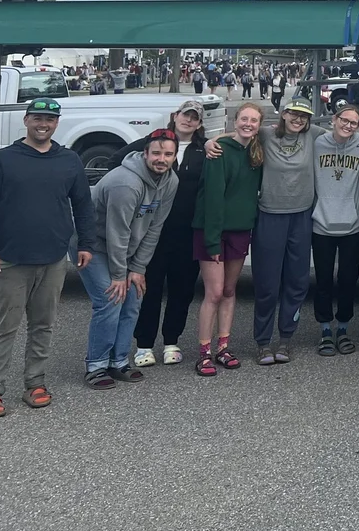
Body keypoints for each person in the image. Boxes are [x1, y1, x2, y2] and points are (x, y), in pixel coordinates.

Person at [0, 97, 94, 417]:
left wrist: (86, 244)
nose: (44, 124)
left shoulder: (69, 160)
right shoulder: (3, 160)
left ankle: (35, 383)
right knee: (4, 328)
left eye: (50, 119)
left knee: (43, 326)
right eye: (37, 118)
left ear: (57, 123)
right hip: (10, 261)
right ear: (26, 120)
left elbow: (83, 205)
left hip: (53, 259)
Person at [208, 97, 317, 366]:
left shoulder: (314, 135)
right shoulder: (267, 134)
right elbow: (240, 132)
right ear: (283, 114)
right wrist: (211, 142)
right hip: (269, 215)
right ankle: (263, 342)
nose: (298, 120)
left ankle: (286, 340)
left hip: (301, 216)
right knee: (268, 283)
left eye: (303, 116)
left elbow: (343, 134)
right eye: (293, 114)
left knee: (296, 282)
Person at [81, 129, 179, 388]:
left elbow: (154, 227)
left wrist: (136, 269)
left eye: (168, 154)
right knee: (111, 298)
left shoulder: (171, 181)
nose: (162, 159)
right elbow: (117, 232)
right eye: (156, 153)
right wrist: (118, 275)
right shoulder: (126, 182)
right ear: (144, 153)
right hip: (94, 245)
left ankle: (119, 361)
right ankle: (97, 365)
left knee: (134, 295)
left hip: (125, 247)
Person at [118, 100, 207, 368]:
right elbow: (118, 159)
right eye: (184, 115)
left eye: (194, 118)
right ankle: (144, 344)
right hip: (152, 233)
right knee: (149, 289)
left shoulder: (205, 151)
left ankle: (171, 341)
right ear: (175, 116)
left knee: (182, 291)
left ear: (199, 124)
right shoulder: (155, 144)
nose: (188, 121)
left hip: (187, 233)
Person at [193, 101, 264, 376]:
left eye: (253, 120)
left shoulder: (257, 153)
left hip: (239, 230)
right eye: (244, 119)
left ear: (259, 125)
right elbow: (212, 198)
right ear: (235, 121)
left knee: (229, 291)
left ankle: (223, 346)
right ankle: (204, 352)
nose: (248, 124)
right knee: (213, 292)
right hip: (212, 230)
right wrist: (211, 240)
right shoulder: (220, 152)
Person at [311, 103, 359, 356]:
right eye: (344, 120)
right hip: (322, 224)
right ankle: (325, 329)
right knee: (323, 280)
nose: (348, 126)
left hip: (352, 225)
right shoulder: (316, 142)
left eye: (353, 123)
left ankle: (344, 328)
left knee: (348, 280)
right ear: (334, 120)